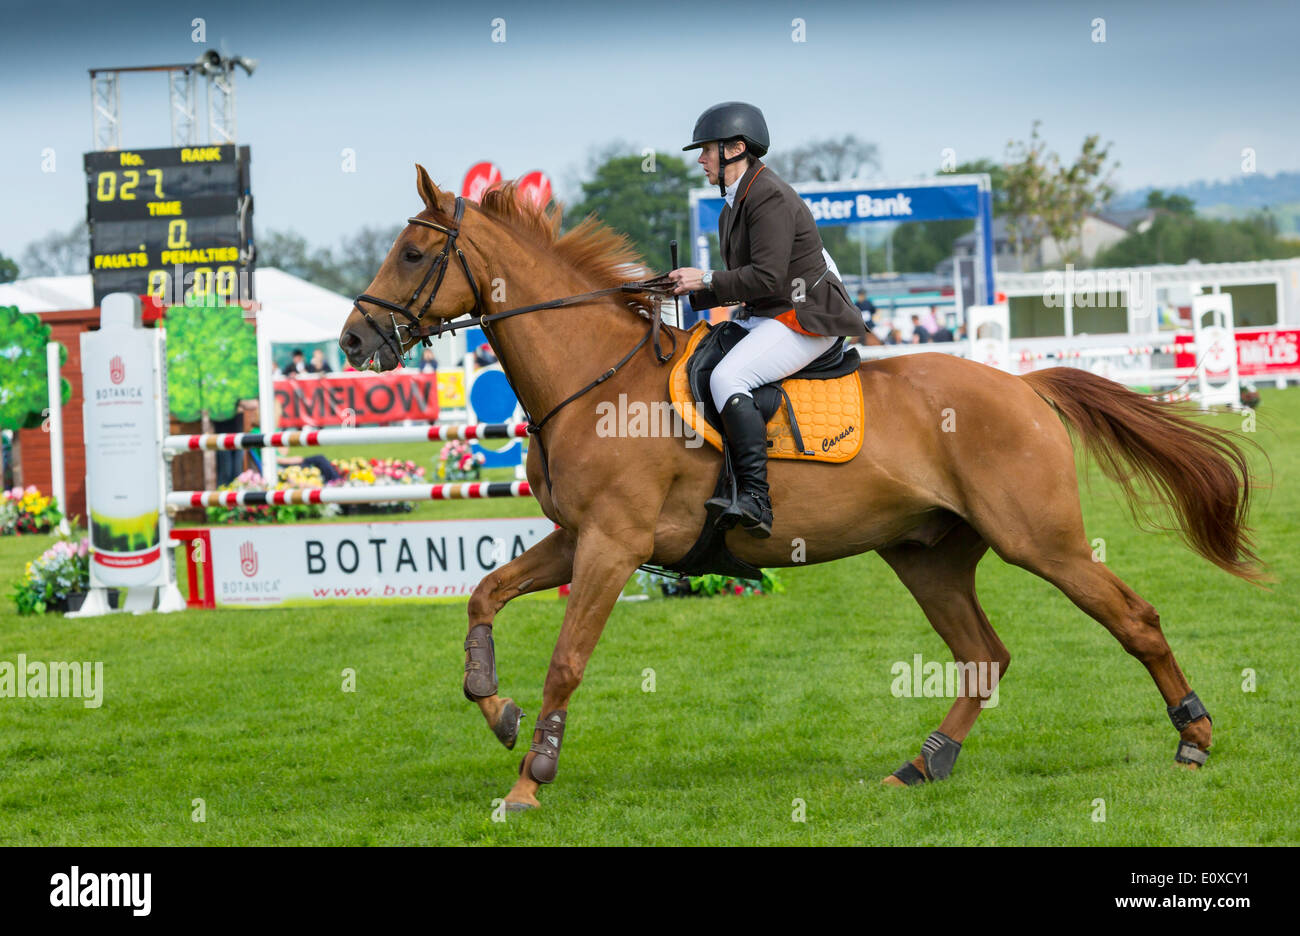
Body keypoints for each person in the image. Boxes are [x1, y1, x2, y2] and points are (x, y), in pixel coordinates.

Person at [669, 101, 867, 538]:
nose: (700, 160)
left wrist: (703, 277)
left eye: (707, 150)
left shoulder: (769, 196)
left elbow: (766, 276)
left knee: (727, 379)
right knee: (698, 359)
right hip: (771, 314)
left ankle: (756, 498)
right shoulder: (731, 206)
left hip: (808, 317)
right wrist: (679, 287)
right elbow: (743, 283)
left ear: (736, 148)